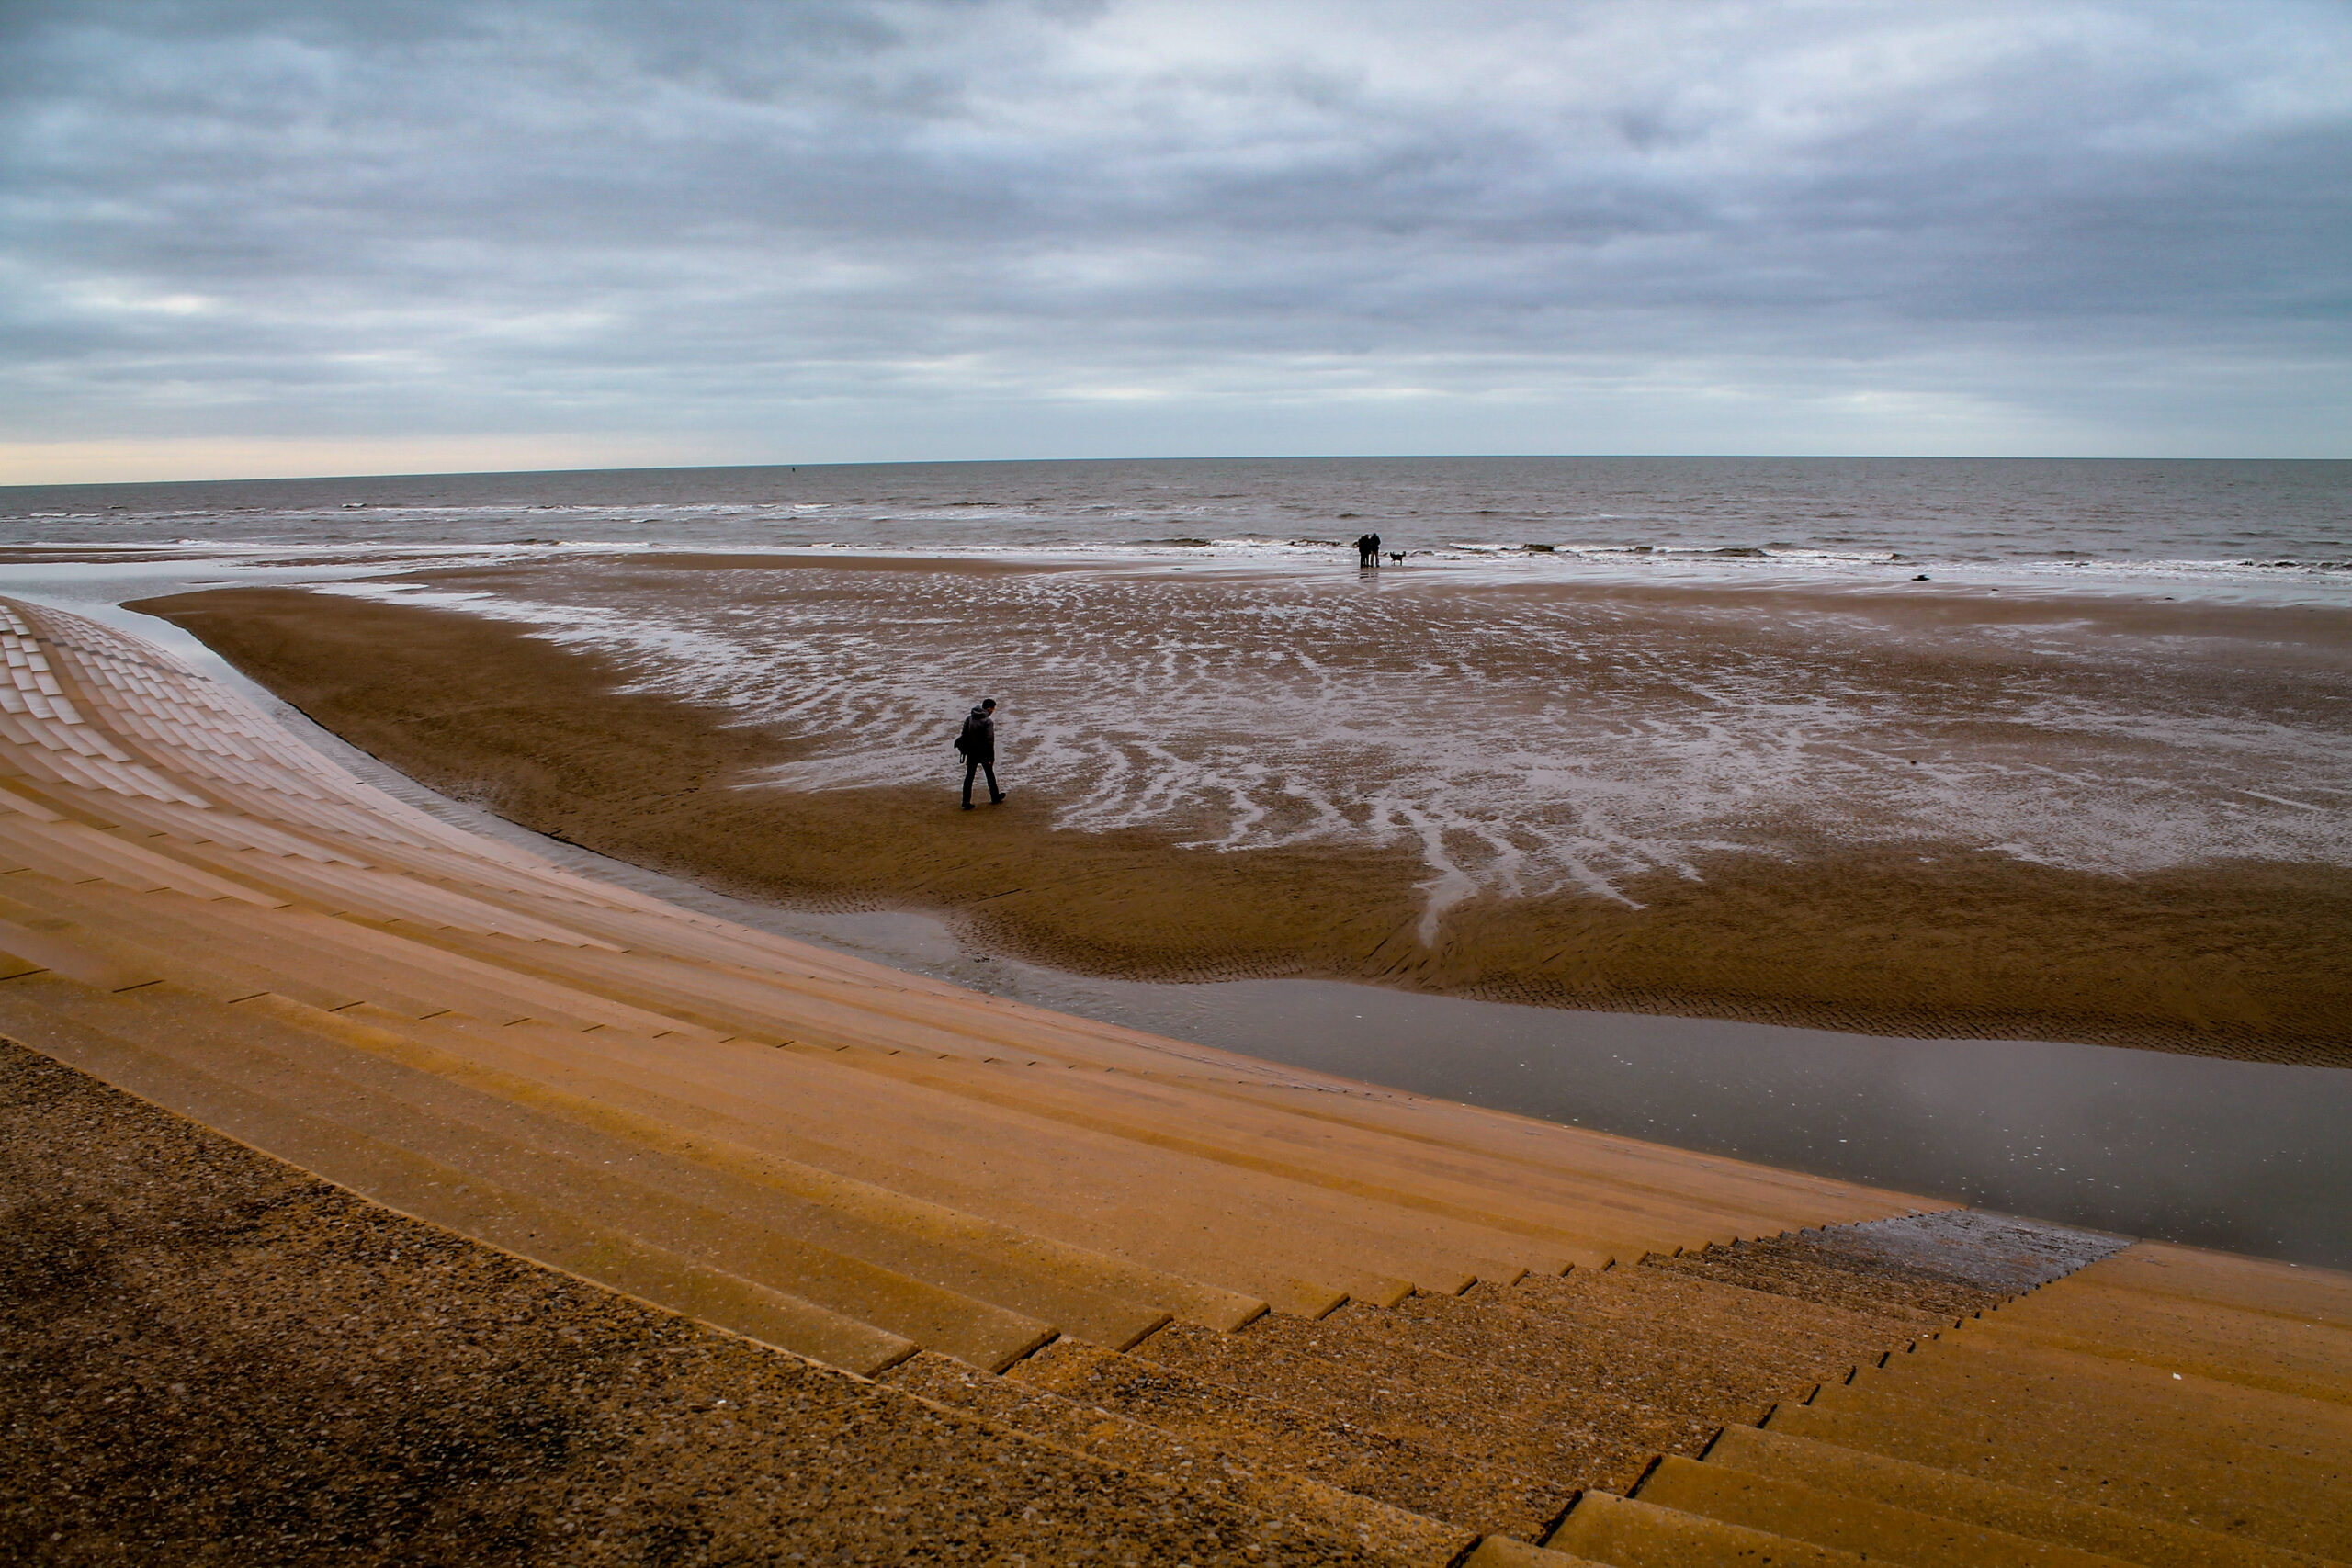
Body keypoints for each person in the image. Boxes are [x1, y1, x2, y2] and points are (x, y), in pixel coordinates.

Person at [955, 698, 1004, 809]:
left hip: (971, 752)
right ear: (989, 709)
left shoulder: (969, 718)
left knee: (969, 777)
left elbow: (964, 735)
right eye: (993, 709)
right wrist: (991, 756)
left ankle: (965, 801)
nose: (993, 711)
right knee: (989, 774)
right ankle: (995, 796)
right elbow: (989, 740)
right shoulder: (988, 722)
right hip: (984, 752)